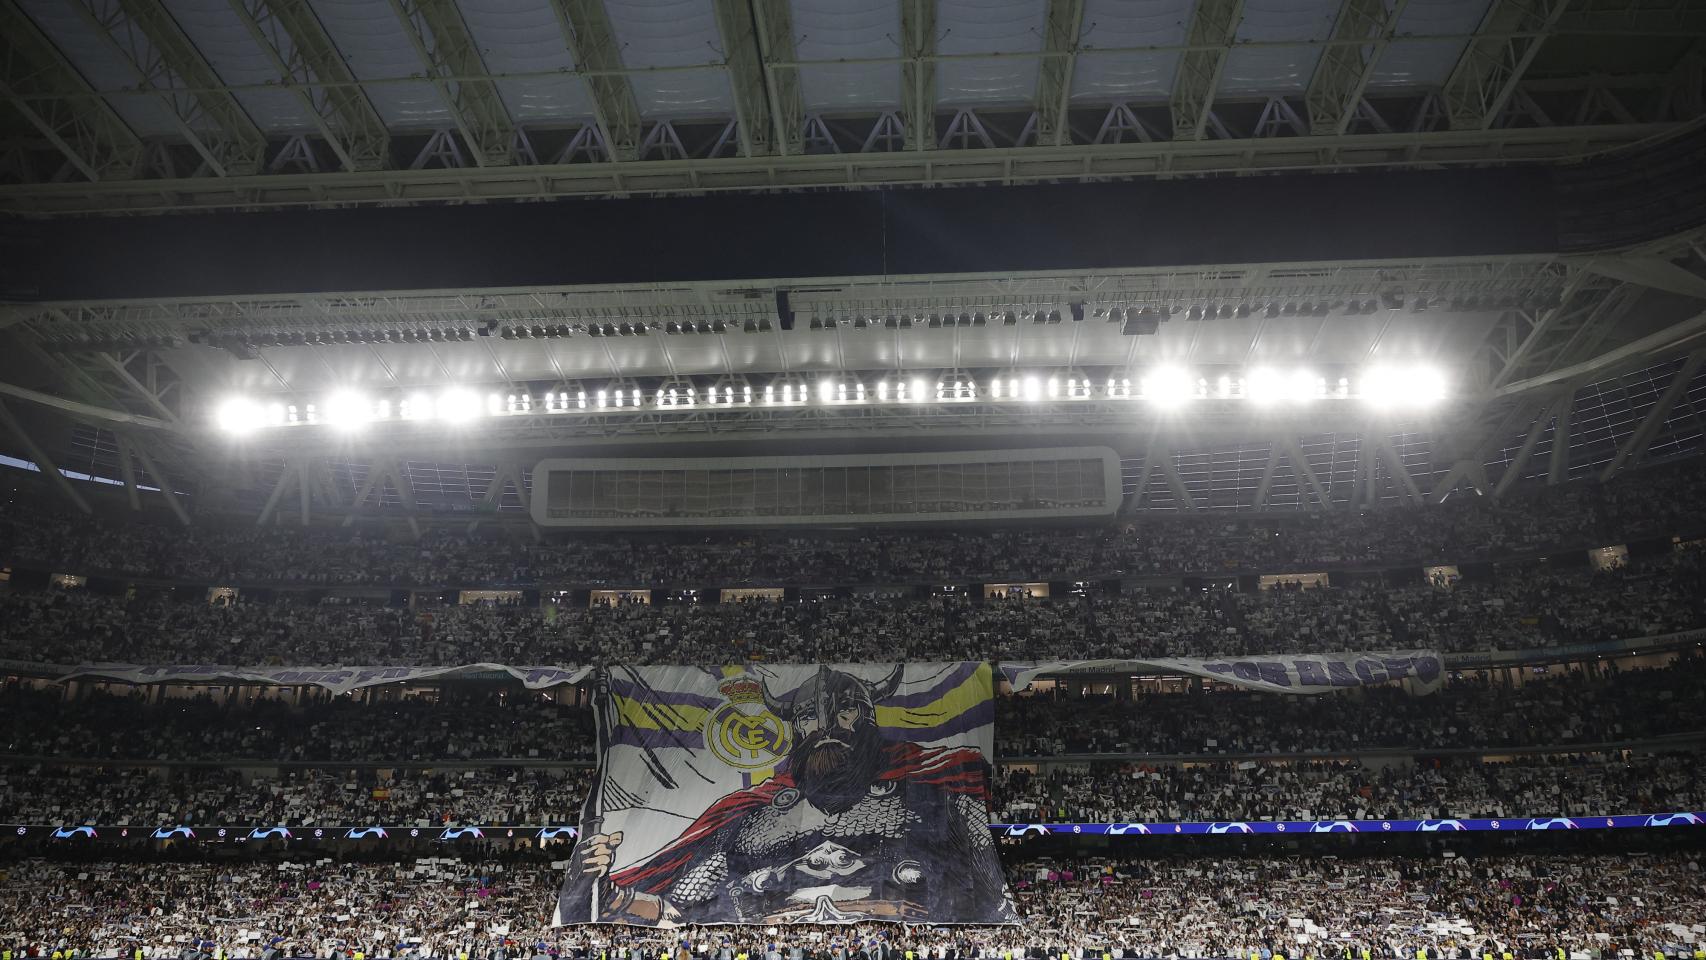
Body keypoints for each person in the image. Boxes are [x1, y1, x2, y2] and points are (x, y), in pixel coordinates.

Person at [567, 665, 1016, 925]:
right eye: (809, 716)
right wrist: (606, 890)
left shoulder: (941, 803)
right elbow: (679, 911)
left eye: (845, 710)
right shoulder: (752, 823)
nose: (826, 725)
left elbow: (995, 900)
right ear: (796, 730)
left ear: (868, 722)